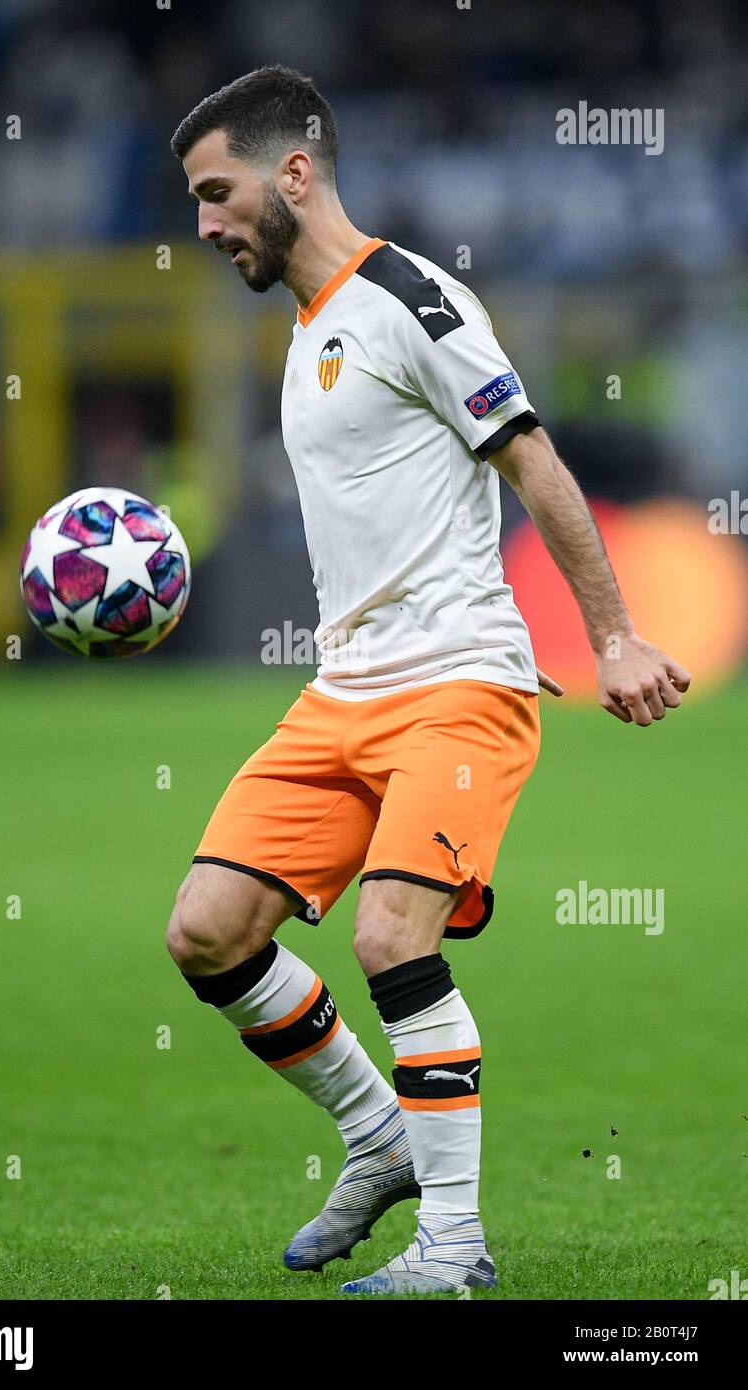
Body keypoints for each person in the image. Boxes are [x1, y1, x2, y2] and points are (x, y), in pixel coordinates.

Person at [167, 65, 691, 1295]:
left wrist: (611, 634)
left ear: (292, 174)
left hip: (460, 682)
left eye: (216, 192)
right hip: (341, 692)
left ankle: (452, 1245)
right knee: (206, 932)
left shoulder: (411, 296)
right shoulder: (303, 332)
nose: (203, 225)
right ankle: (377, 1134)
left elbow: (534, 460)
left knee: (390, 932)